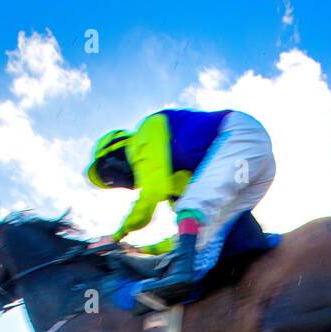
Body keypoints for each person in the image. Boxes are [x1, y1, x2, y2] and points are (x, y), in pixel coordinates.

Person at [86, 107, 277, 309]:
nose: (114, 183)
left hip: (237, 137)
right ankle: (272, 248)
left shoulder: (146, 133)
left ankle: (181, 279)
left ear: (114, 156)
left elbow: (153, 191)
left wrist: (115, 237)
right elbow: (184, 240)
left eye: (108, 176)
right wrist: (142, 250)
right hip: (256, 165)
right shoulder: (181, 184)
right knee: (202, 238)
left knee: (192, 205)